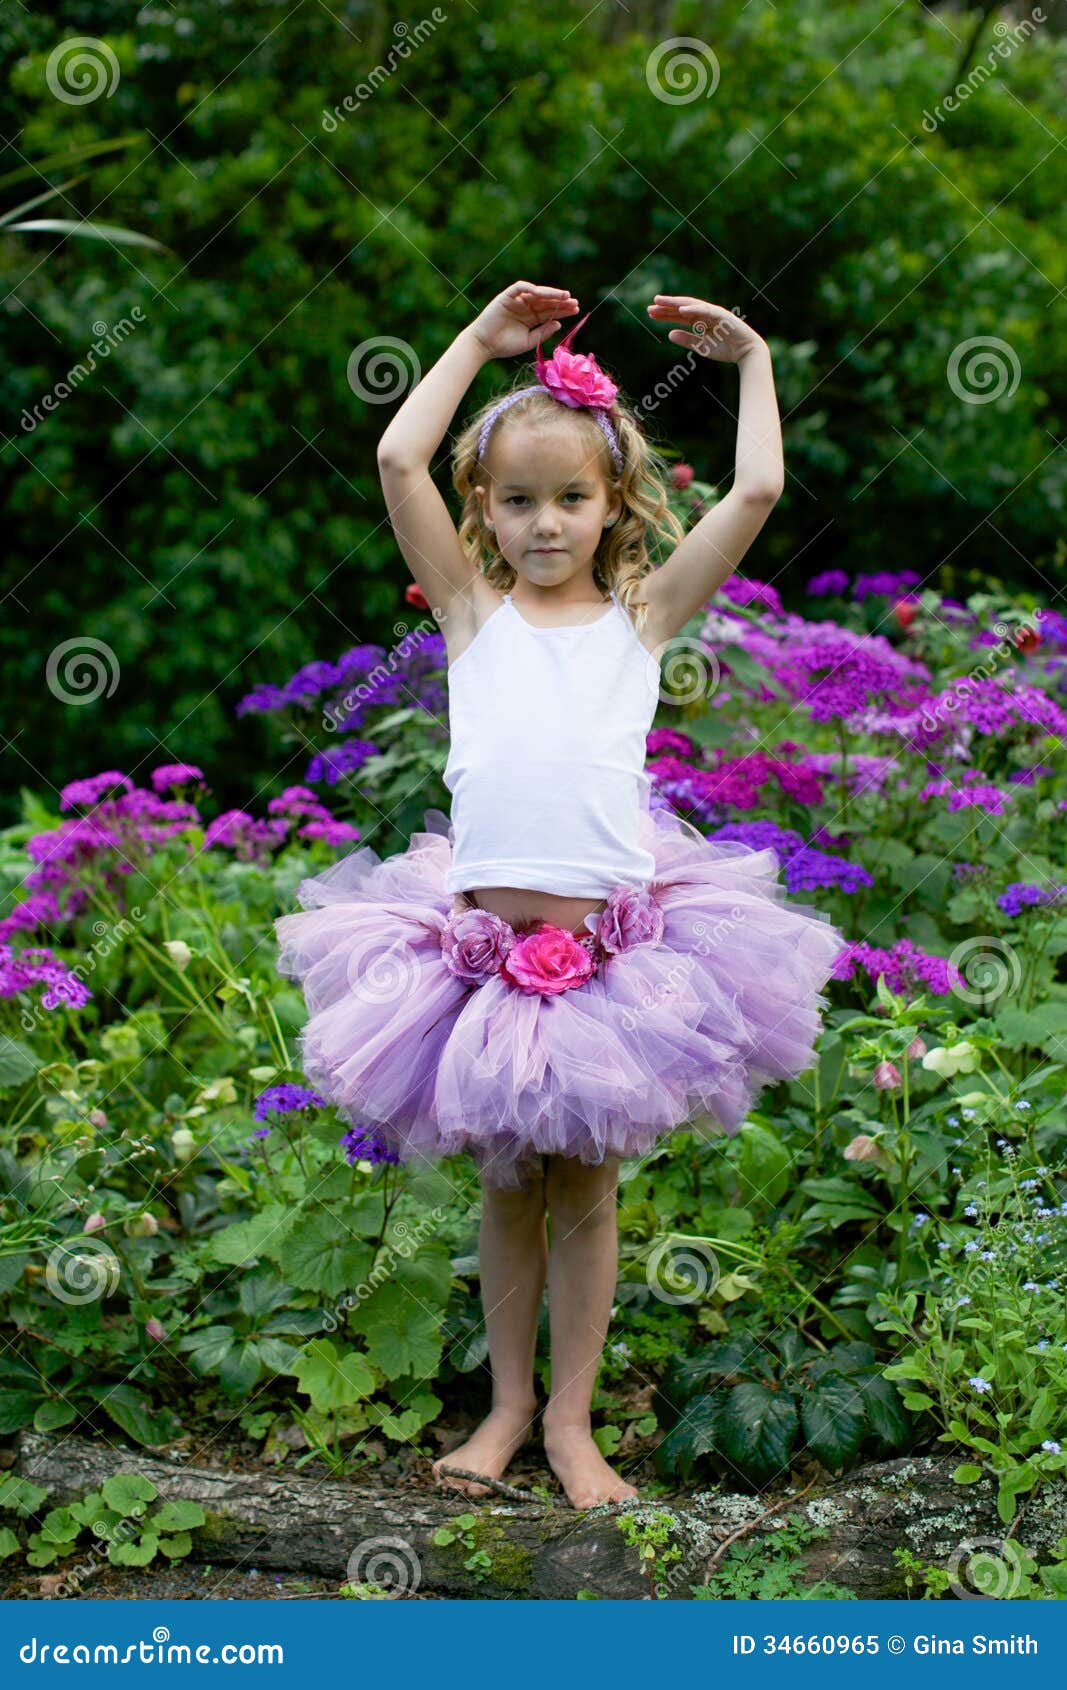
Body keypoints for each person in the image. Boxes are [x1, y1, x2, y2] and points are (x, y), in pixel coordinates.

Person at [274, 281, 846, 1510]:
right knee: (504, 1188)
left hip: (611, 968)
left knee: (584, 1190)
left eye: (570, 499)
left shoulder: (640, 619)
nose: (545, 523)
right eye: (519, 499)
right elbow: (396, 456)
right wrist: (479, 343)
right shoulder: (470, 613)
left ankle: (573, 1423)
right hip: (481, 961)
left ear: (612, 504)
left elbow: (754, 491)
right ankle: (506, 1408)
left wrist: (750, 359)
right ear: (483, 507)